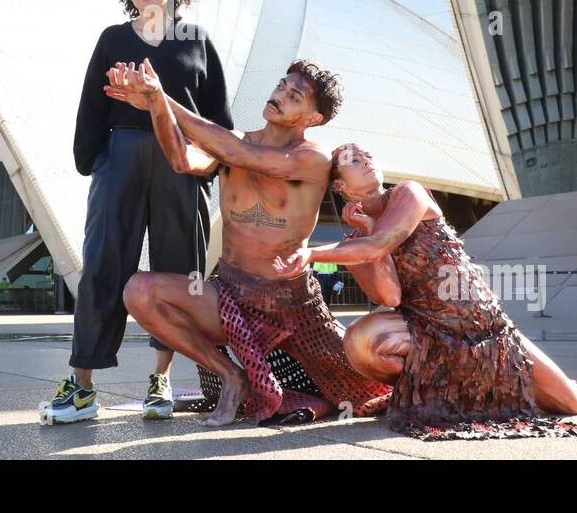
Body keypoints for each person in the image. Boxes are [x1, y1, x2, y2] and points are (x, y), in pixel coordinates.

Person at [108, 57, 391, 427]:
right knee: (138, 291)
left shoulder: (313, 159)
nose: (279, 97)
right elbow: (181, 158)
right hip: (229, 298)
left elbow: (243, 156)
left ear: (313, 118)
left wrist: (160, 98)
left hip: (291, 309)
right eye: (280, 86)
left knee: (365, 384)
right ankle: (231, 376)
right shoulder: (233, 142)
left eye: (294, 96)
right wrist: (155, 106)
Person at [273, 142, 577, 440]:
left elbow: (381, 242)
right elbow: (390, 297)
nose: (368, 159)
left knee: (569, 403)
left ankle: (446, 394)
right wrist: (367, 231)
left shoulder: (408, 193)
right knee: (361, 341)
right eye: (355, 160)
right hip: (427, 331)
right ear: (341, 187)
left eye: (369, 154)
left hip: (482, 324)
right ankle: (420, 392)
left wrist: (313, 253)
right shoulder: (357, 244)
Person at [41, 0, 235, 425]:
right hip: (121, 156)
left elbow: (217, 118)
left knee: (177, 272)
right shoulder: (113, 39)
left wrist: (206, 168)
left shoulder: (197, 41)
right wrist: (97, 160)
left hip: (180, 163)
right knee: (103, 265)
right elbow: (90, 104)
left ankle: (160, 381)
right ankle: (82, 387)